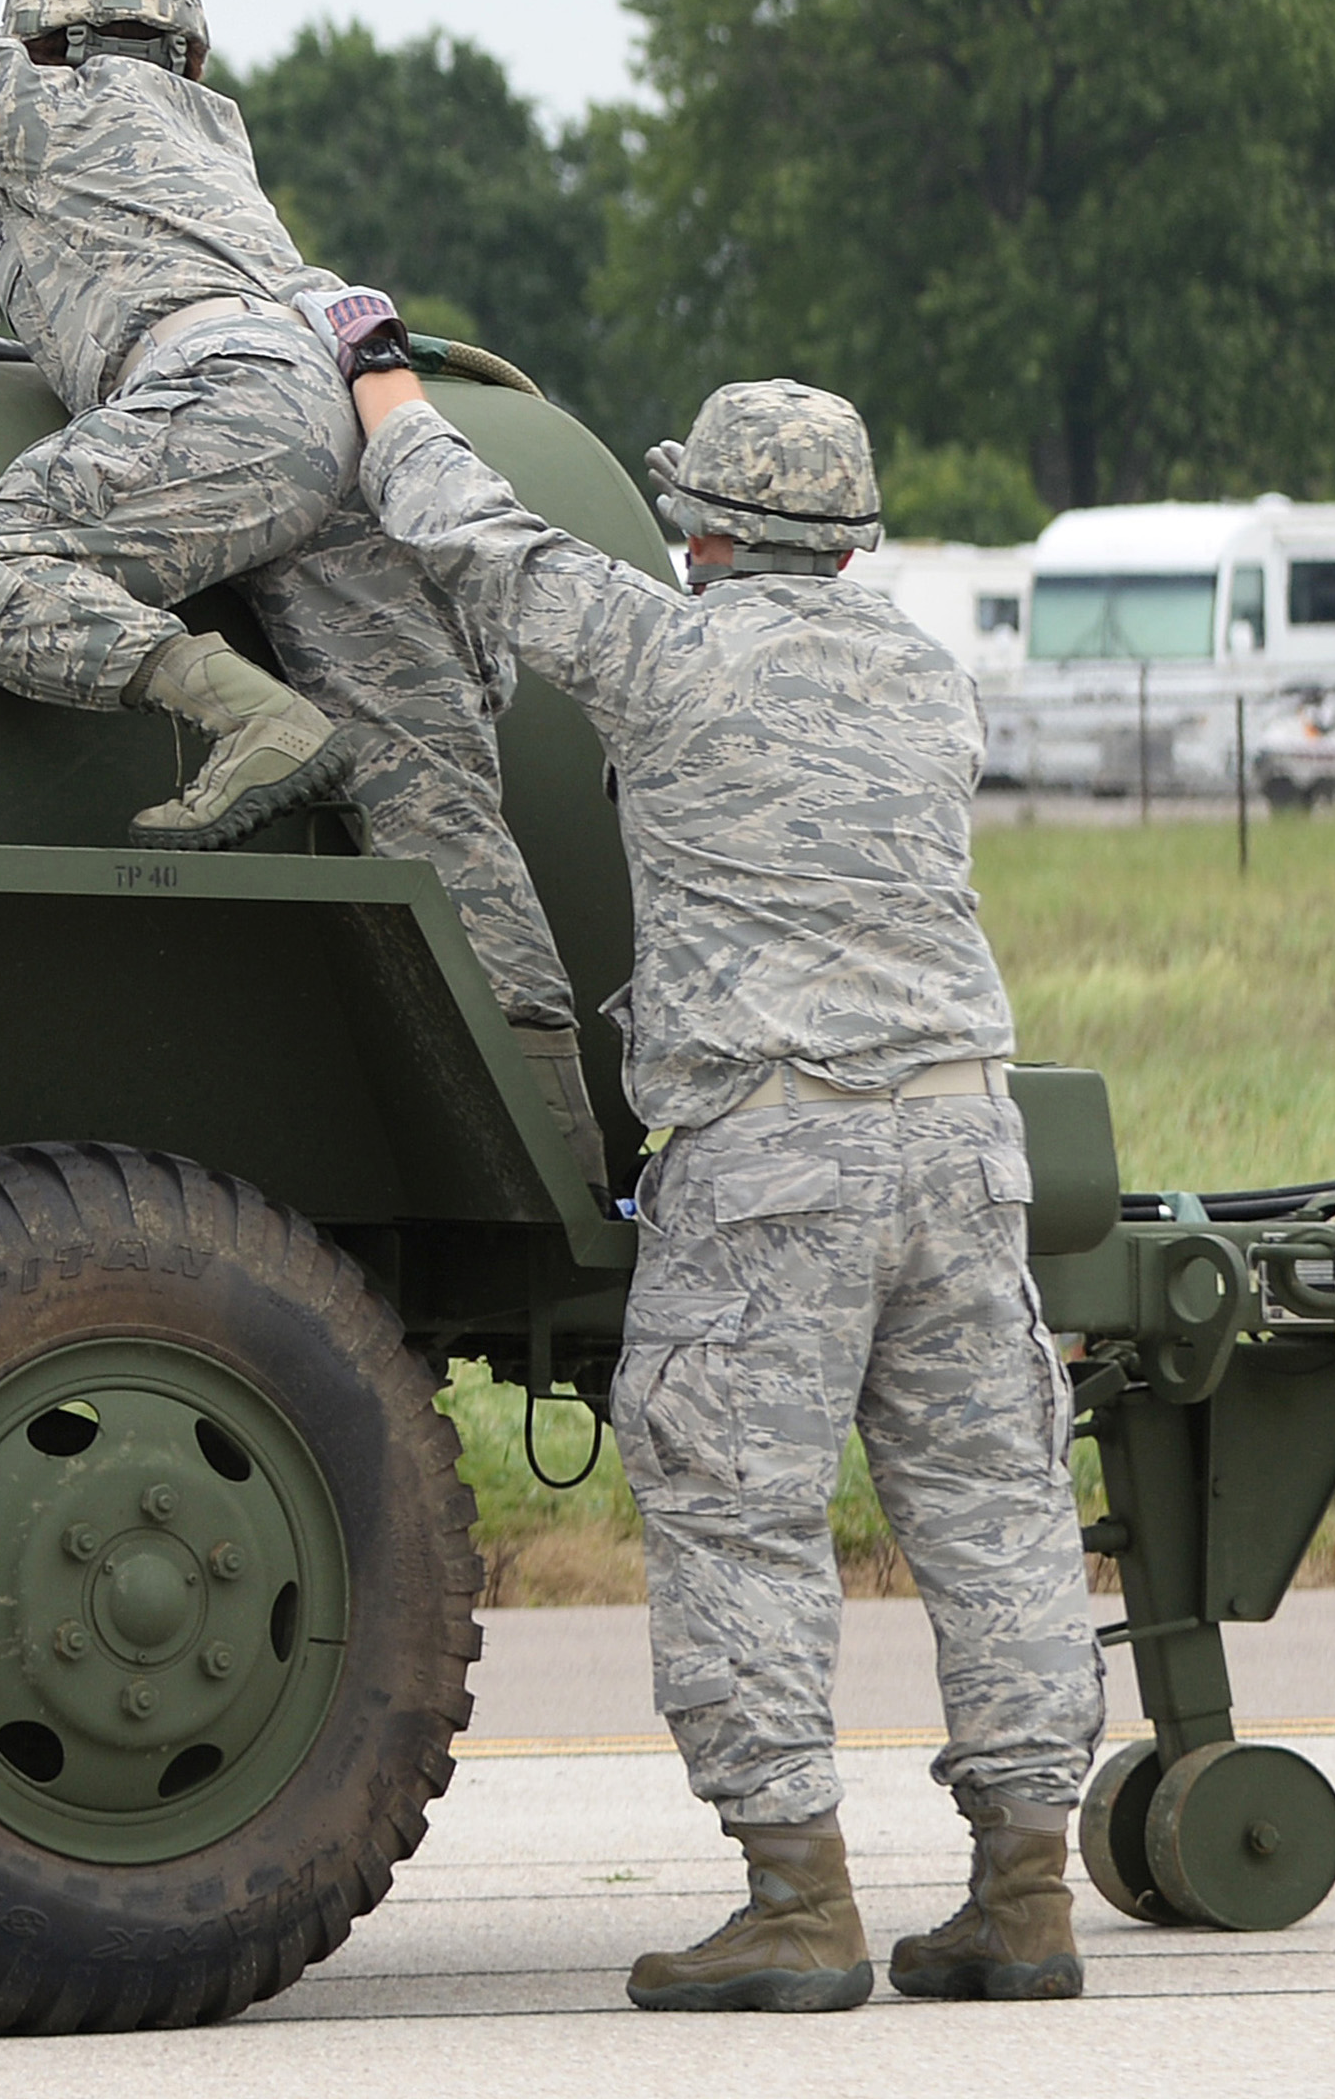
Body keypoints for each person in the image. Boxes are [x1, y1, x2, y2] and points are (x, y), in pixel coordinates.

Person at [341, 356, 1097, 2014]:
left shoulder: (666, 652)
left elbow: (474, 535)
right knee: (996, 1513)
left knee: (741, 1517)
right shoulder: (929, 681)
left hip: (774, 1153)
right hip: (968, 1142)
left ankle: (797, 1907)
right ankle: (1027, 1896)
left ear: (698, 528)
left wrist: (378, 381)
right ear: (852, 537)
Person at [0, 0, 586, 1139]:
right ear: (193, 53)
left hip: (234, 397)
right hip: (348, 421)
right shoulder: (197, 130)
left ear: (47, 47)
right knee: (431, 794)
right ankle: (558, 1147)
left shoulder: (58, 108)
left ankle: (244, 715)